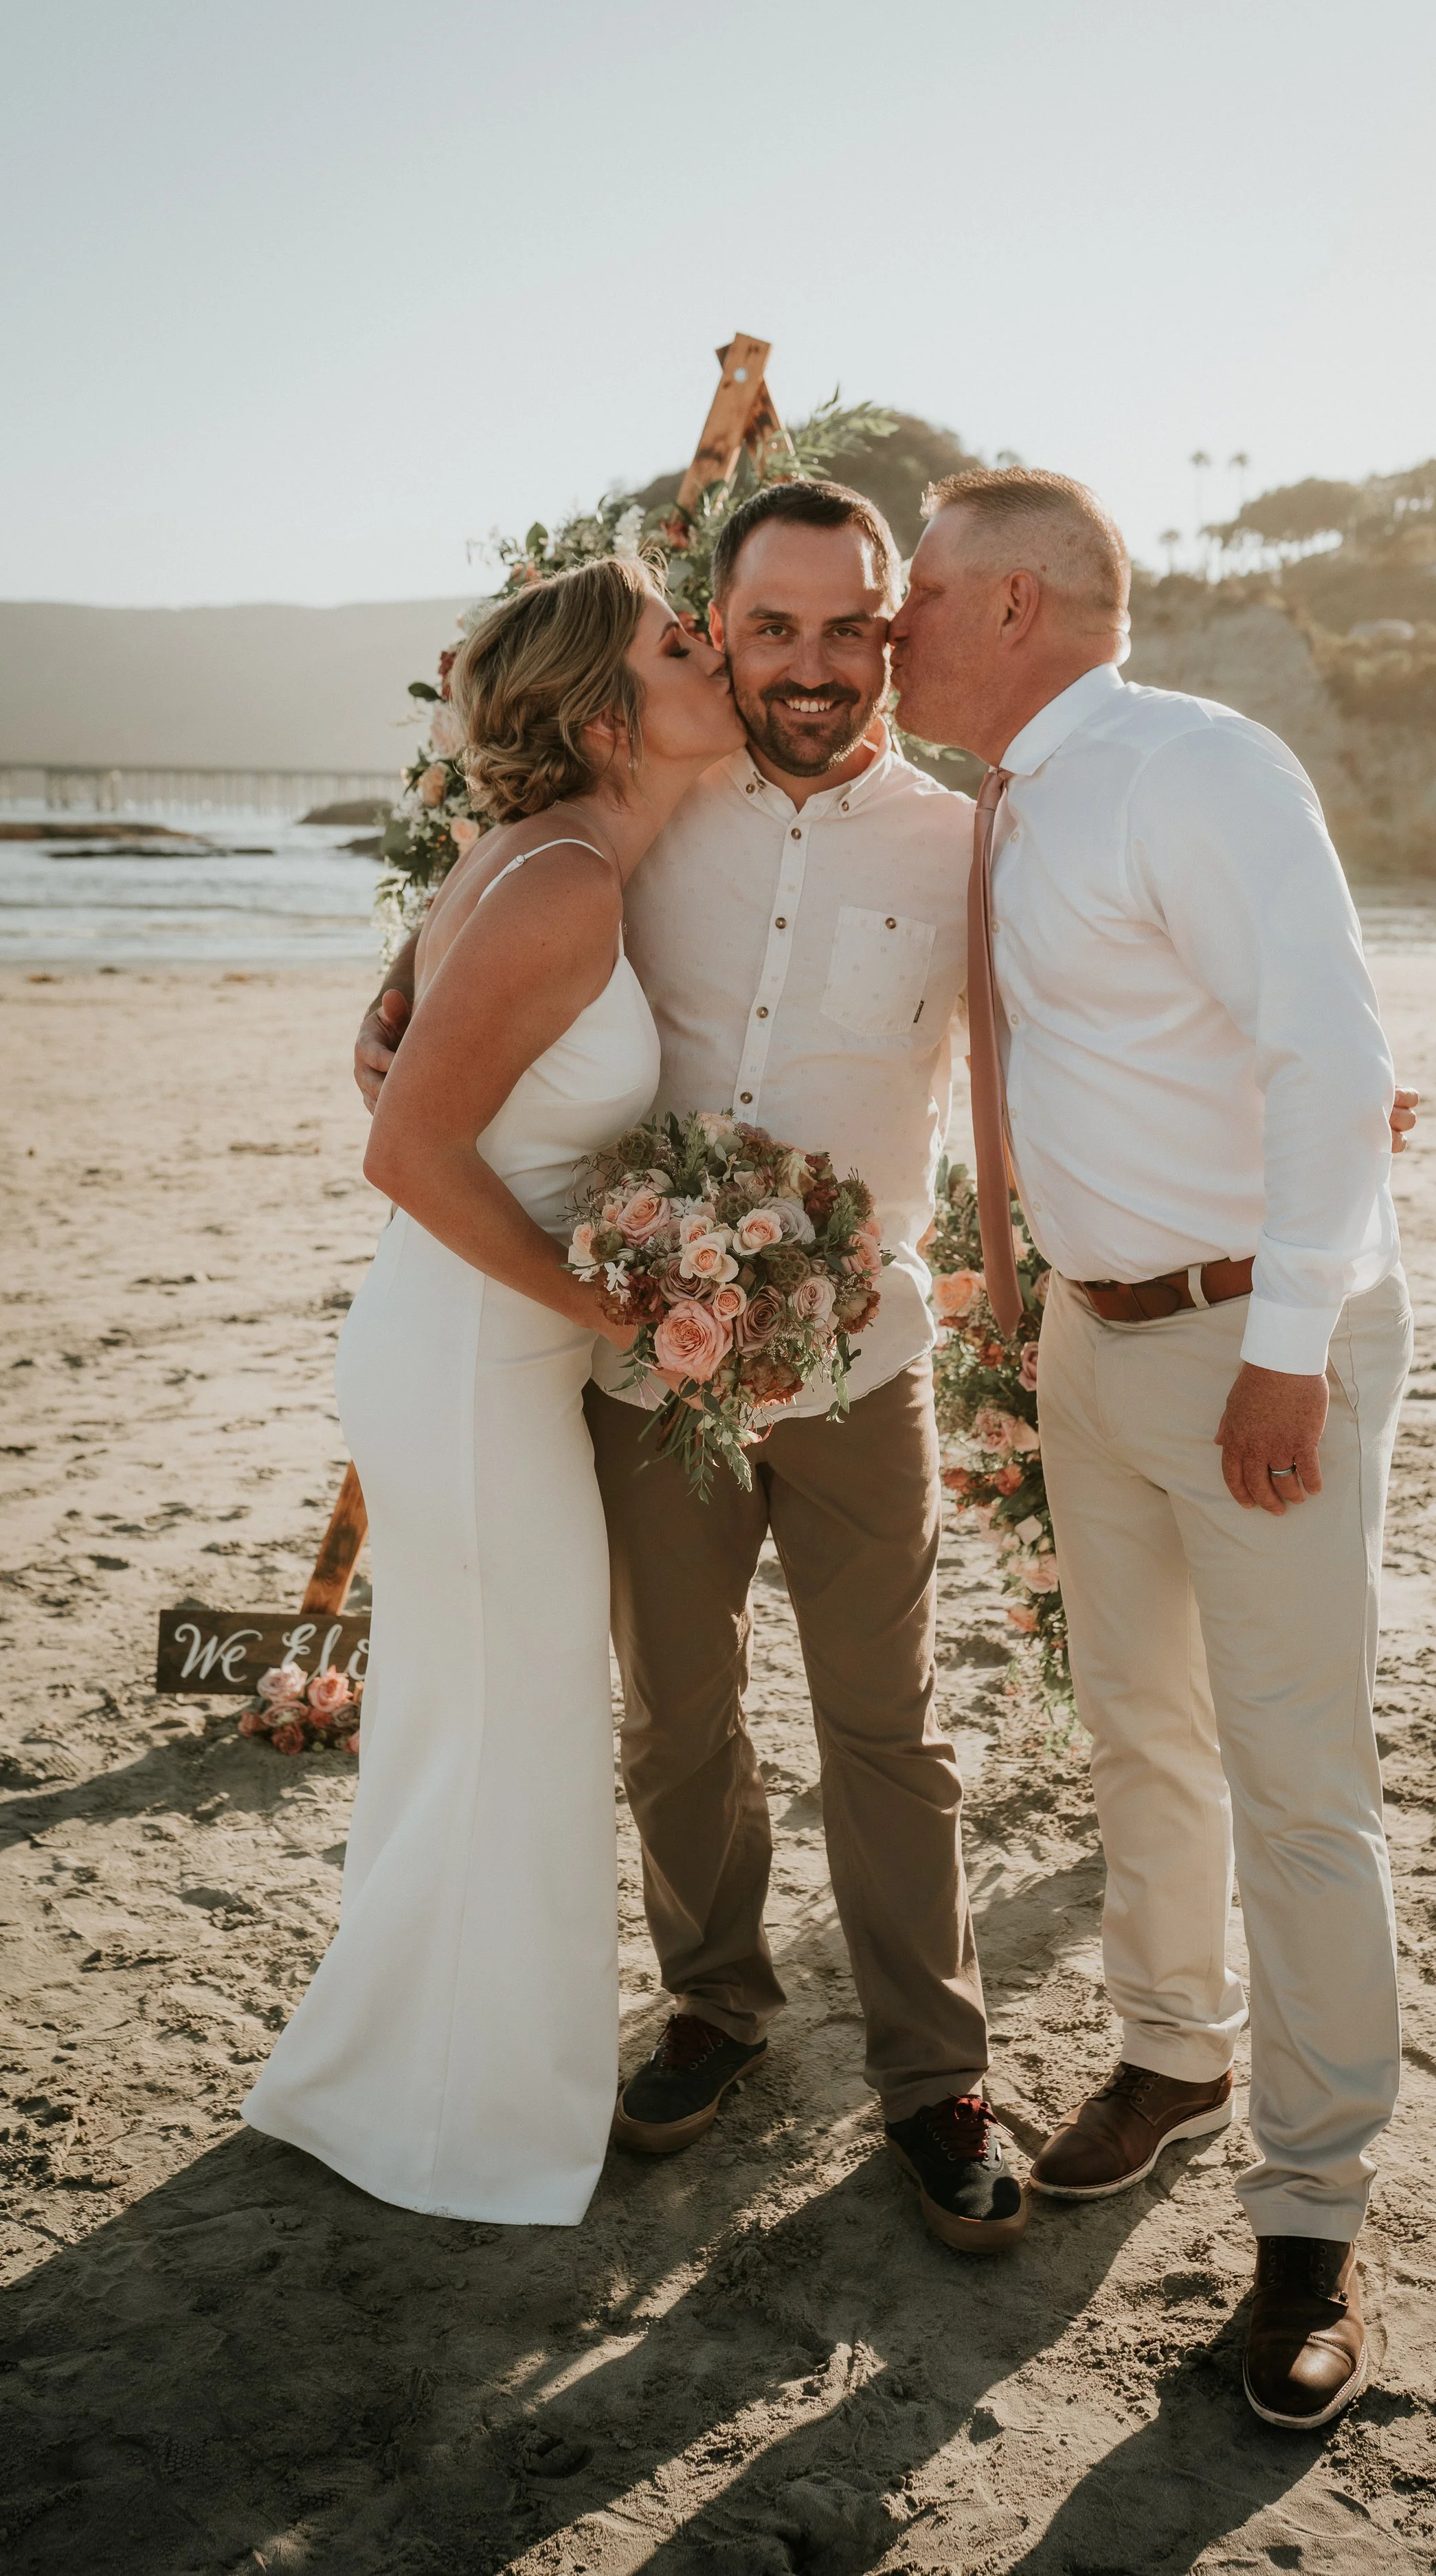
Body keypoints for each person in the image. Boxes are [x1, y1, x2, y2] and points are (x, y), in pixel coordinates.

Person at [355, 482, 1027, 2254]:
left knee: (889, 1727)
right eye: (770, 627)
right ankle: (717, 2002)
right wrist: (388, 999)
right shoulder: (645, 813)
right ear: (714, 636)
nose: (810, 665)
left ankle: (932, 2071)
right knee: (676, 1714)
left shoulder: (961, 842)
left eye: (847, 628)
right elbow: (500, 922)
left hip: (866, 1354)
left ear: (890, 630)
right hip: (650, 1371)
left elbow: (1058, 1047)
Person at [891, 465, 1413, 2426]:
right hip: (1092, 1345)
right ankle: (1174, 2049)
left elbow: (1333, 1059)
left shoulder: (1190, 766)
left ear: (1019, 603)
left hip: (1252, 1344)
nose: (894, 628)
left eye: (920, 593)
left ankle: (1309, 2212)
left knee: (1298, 1782)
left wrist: (1284, 1352)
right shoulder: (1004, 803)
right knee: (1136, 1726)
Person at [245, 558, 741, 2223]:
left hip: (459, 1357)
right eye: (686, 640)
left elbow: (400, 1043)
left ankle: (394, 2083)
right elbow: (406, 1142)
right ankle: (461, 2125)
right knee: (512, 1725)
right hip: (469, 1363)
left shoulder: (546, 857)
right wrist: (607, 1303)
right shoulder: (559, 884)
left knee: (468, 1721)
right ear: (608, 707)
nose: (719, 652)